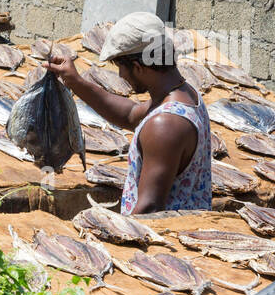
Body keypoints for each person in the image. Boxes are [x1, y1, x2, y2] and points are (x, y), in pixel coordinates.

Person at [44, 11, 212, 215]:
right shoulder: (184, 93)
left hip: (159, 238)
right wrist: (76, 82)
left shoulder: (165, 124)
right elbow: (131, 114)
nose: (121, 75)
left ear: (138, 66)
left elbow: (149, 209)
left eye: (120, 67)